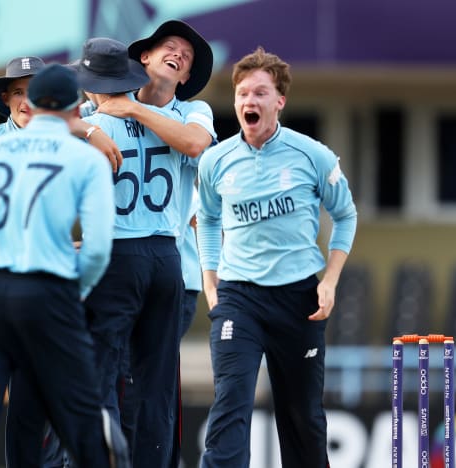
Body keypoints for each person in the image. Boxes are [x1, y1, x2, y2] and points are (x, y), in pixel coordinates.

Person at [0, 64, 129, 468]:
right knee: (83, 416)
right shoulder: (83, 157)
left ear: (31, 103)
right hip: (47, 293)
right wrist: (74, 293)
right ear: (75, 107)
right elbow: (97, 249)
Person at [196, 46, 357, 468]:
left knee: (302, 417)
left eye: (261, 94)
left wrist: (330, 281)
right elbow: (208, 220)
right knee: (231, 400)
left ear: (279, 101)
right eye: (243, 93)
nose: (250, 101)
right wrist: (210, 282)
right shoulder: (215, 160)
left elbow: (346, 215)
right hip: (239, 298)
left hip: (299, 299)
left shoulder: (312, 155)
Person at [69, 36, 187, 468]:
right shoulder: (165, 117)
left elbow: (42, 121)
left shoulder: (89, 122)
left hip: (115, 255)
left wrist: (89, 127)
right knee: (157, 383)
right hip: (166, 258)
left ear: (91, 85)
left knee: (99, 376)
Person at [102, 20, 216, 466]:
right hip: (115, 261)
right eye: (168, 47)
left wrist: (130, 110)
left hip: (174, 272)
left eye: (185, 57)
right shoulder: (103, 112)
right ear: (143, 57)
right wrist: (92, 125)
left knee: (150, 384)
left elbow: (193, 144)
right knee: (109, 376)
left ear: (185, 79)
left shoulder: (193, 111)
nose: (178, 55)